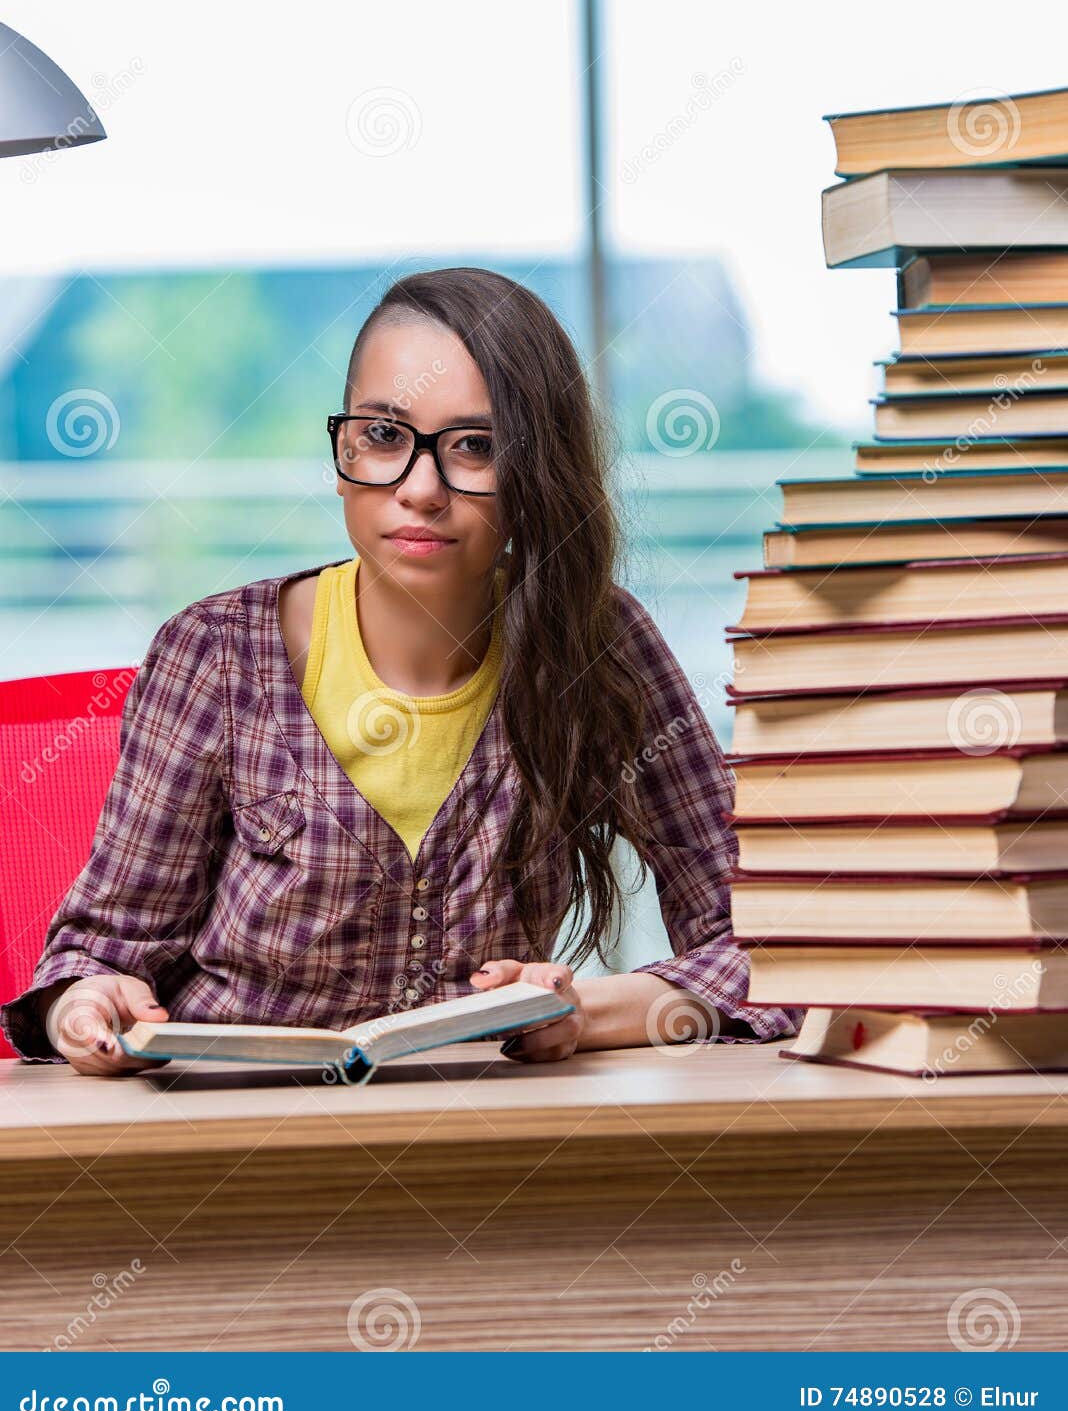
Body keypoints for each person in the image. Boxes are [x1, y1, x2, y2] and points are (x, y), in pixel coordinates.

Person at [0, 267, 800, 1075]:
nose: (420, 489)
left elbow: (774, 943)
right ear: (343, 446)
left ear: (540, 468)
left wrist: (584, 1010)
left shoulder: (598, 643)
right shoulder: (215, 653)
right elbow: (98, 955)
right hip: (220, 1132)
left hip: (483, 1143)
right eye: (384, 436)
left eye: (476, 447)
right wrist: (88, 1006)